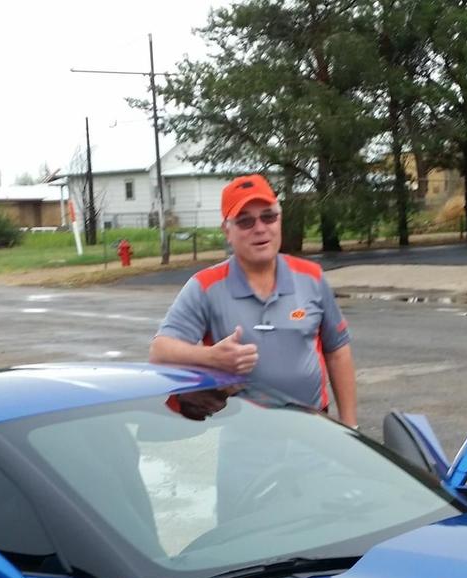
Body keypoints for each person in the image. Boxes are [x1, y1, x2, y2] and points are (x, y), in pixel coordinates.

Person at [149, 175, 359, 429]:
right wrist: (210, 357)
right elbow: (160, 352)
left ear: (279, 220)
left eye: (268, 216)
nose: (260, 228)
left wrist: (351, 427)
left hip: (313, 431)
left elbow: (337, 353)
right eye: (245, 221)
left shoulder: (311, 277)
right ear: (227, 231)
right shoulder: (205, 286)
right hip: (244, 438)